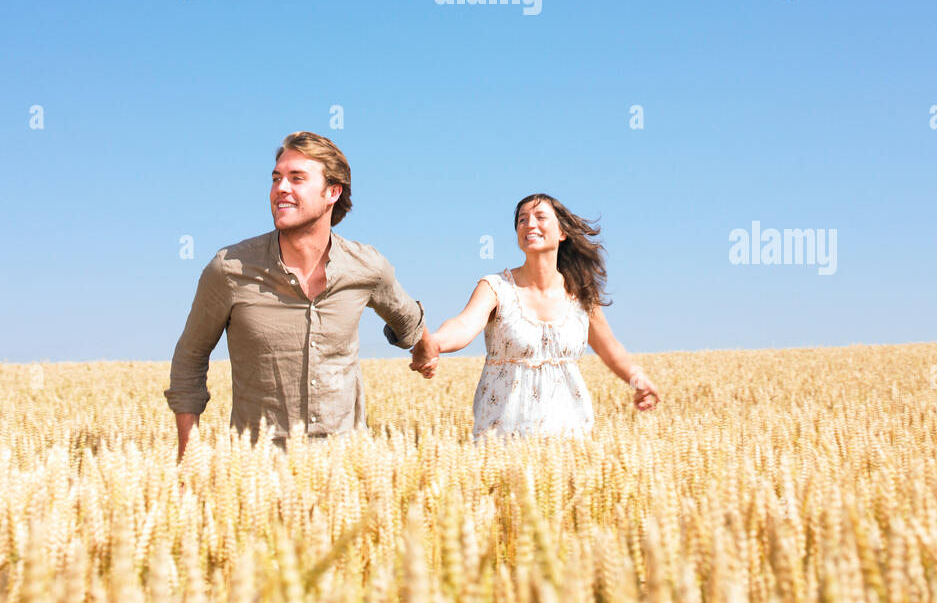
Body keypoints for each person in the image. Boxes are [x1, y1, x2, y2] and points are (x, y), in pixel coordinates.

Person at [164, 131, 434, 456]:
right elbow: (190, 360)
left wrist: (424, 349)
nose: (281, 188)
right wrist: (188, 458)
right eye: (276, 178)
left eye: (297, 178)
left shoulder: (367, 266)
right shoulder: (229, 269)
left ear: (332, 192)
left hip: (346, 470)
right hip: (257, 474)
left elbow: (408, 320)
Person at [410, 193, 660, 438]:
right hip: (502, 439)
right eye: (522, 219)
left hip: (569, 437)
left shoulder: (582, 294)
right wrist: (434, 343)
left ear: (562, 233)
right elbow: (464, 324)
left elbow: (610, 348)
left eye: (540, 217)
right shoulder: (496, 287)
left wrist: (637, 380)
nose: (529, 224)